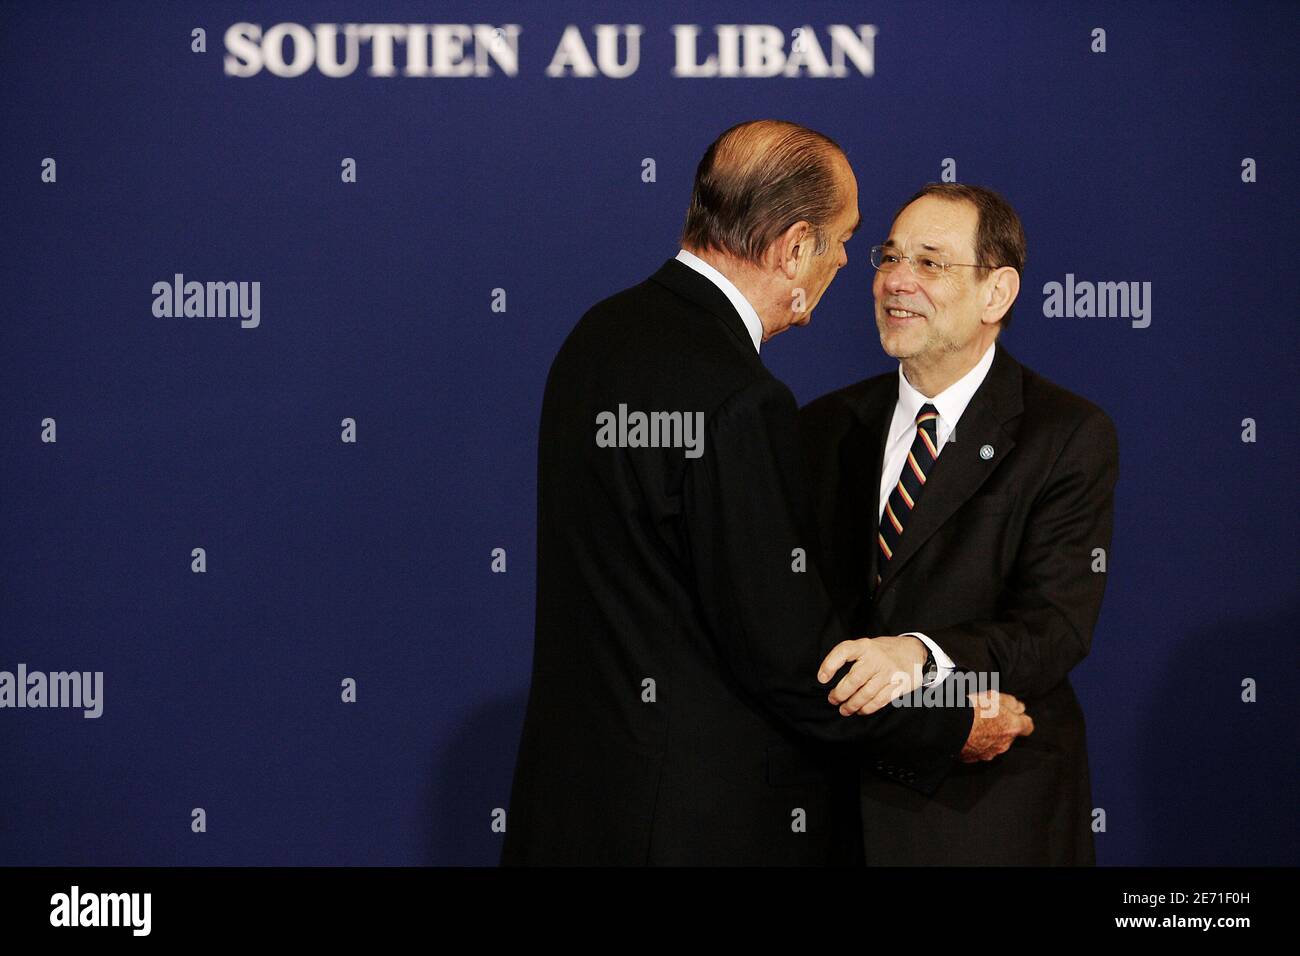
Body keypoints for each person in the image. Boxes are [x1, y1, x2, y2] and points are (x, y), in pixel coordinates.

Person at [501, 123, 1031, 866]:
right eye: (844, 239)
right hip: (686, 828)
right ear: (792, 248)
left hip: (572, 814)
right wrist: (946, 721)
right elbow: (785, 660)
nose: (852, 261)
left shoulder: (599, 337)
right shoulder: (740, 398)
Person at [801, 182, 1118, 865]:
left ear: (997, 294)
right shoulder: (821, 428)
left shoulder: (1064, 435)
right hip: (834, 816)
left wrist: (916, 654)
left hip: (982, 815)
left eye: (930, 263)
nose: (896, 281)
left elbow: (1053, 629)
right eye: (888, 257)